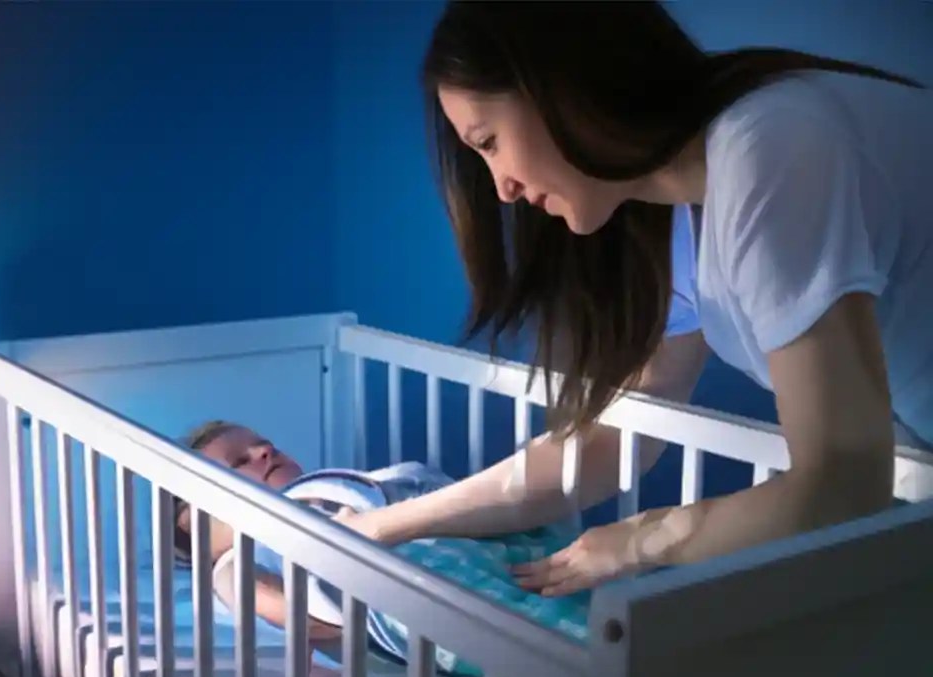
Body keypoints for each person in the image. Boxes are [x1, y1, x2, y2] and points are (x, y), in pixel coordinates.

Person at [334, 1, 933, 597]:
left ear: (562, 85)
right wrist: (388, 524)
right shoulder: (679, 214)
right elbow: (613, 441)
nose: (503, 190)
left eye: (488, 141)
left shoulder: (769, 147)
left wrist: (641, 540)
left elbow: (843, 480)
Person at [172, 420, 590, 677]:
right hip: (406, 580)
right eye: (239, 462)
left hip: (467, 535)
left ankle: (625, 618)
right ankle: (608, 660)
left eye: (265, 444)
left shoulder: (328, 484)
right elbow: (289, 611)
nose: (264, 450)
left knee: (565, 568)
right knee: (519, 627)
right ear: (200, 525)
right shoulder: (236, 558)